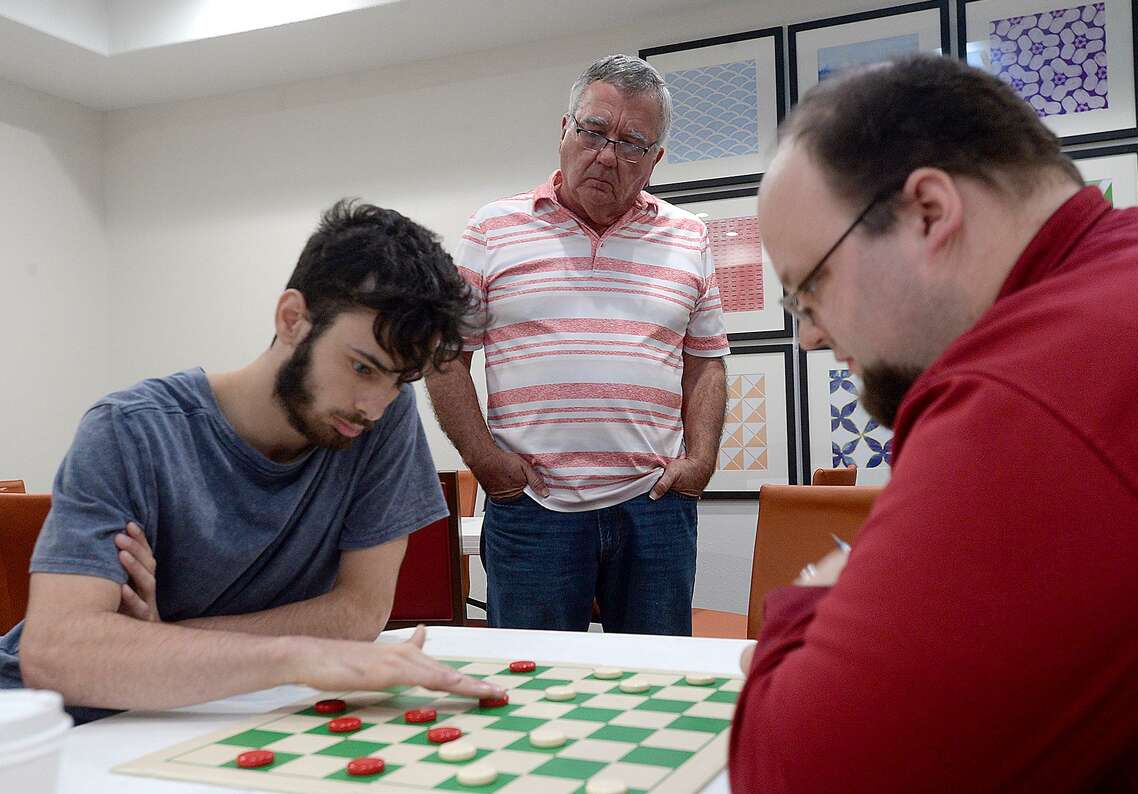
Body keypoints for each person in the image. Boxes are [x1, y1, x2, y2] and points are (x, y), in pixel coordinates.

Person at [730, 55, 1138, 791]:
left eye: (809, 287)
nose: (810, 336)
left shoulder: (1034, 392)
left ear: (928, 212)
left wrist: (823, 591)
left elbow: (796, 773)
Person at [1, 200, 503, 723]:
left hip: (220, 710)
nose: (374, 405)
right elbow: (58, 656)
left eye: (400, 380)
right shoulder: (129, 429)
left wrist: (156, 641)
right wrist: (299, 655)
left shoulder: (382, 418)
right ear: (292, 319)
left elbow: (359, 613)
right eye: (362, 367)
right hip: (55, 722)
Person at [425, 54, 729, 634]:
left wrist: (700, 463)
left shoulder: (689, 236)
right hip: (532, 507)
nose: (607, 155)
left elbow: (706, 362)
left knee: (657, 678)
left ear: (655, 160)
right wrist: (486, 463)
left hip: (654, 506)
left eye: (632, 143)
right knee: (530, 676)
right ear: (565, 129)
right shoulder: (492, 228)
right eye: (593, 131)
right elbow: (443, 360)